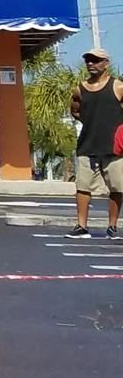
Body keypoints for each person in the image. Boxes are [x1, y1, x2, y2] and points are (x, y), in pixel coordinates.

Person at [68, 47, 123, 239]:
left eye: (95, 60)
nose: (91, 63)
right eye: (88, 60)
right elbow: (75, 110)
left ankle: (112, 227)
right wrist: (90, 122)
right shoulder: (80, 89)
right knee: (82, 186)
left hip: (113, 147)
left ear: (106, 64)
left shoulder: (118, 87)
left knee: (117, 187)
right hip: (88, 145)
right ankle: (81, 226)